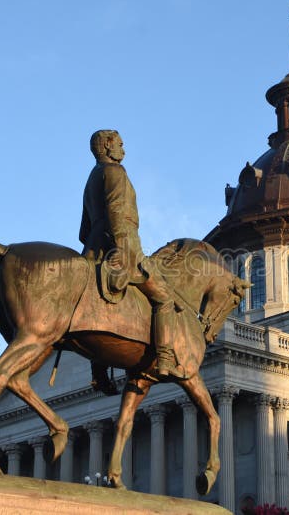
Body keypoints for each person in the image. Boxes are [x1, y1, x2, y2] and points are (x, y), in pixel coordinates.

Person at [80, 130, 187, 390]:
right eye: (119, 144)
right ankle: (164, 359)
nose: (123, 150)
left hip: (95, 247)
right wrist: (123, 249)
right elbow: (117, 210)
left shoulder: (93, 177)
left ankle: (100, 372)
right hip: (124, 244)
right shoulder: (116, 172)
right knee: (164, 298)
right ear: (107, 146)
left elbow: (84, 229)